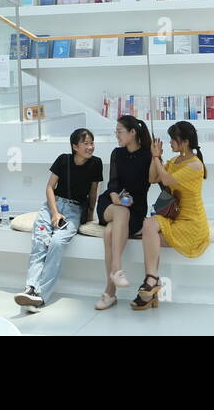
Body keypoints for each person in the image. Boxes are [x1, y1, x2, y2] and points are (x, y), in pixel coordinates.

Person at [15, 128, 101, 309]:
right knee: (40, 242)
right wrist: (54, 213)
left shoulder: (96, 164)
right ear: (75, 146)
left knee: (56, 243)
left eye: (92, 143)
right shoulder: (63, 160)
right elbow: (49, 188)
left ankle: (40, 295)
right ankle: (30, 287)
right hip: (52, 206)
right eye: (86, 143)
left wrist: (91, 215)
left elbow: (93, 192)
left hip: (75, 210)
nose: (90, 147)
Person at [134, 121, 210, 311]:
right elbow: (153, 178)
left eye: (172, 139)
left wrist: (158, 158)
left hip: (192, 225)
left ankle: (150, 286)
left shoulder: (195, 165)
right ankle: (152, 280)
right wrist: (154, 157)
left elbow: (166, 179)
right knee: (149, 226)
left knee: (149, 234)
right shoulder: (175, 161)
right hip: (174, 219)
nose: (169, 143)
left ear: (184, 142)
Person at [95, 115, 152, 310]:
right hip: (110, 203)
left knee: (110, 232)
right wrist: (114, 196)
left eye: (119, 131)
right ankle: (117, 269)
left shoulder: (147, 155)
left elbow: (159, 181)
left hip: (135, 209)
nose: (116, 135)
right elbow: (113, 182)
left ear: (132, 132)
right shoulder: (117, 153)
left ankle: (110, 292)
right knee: (120, 211)